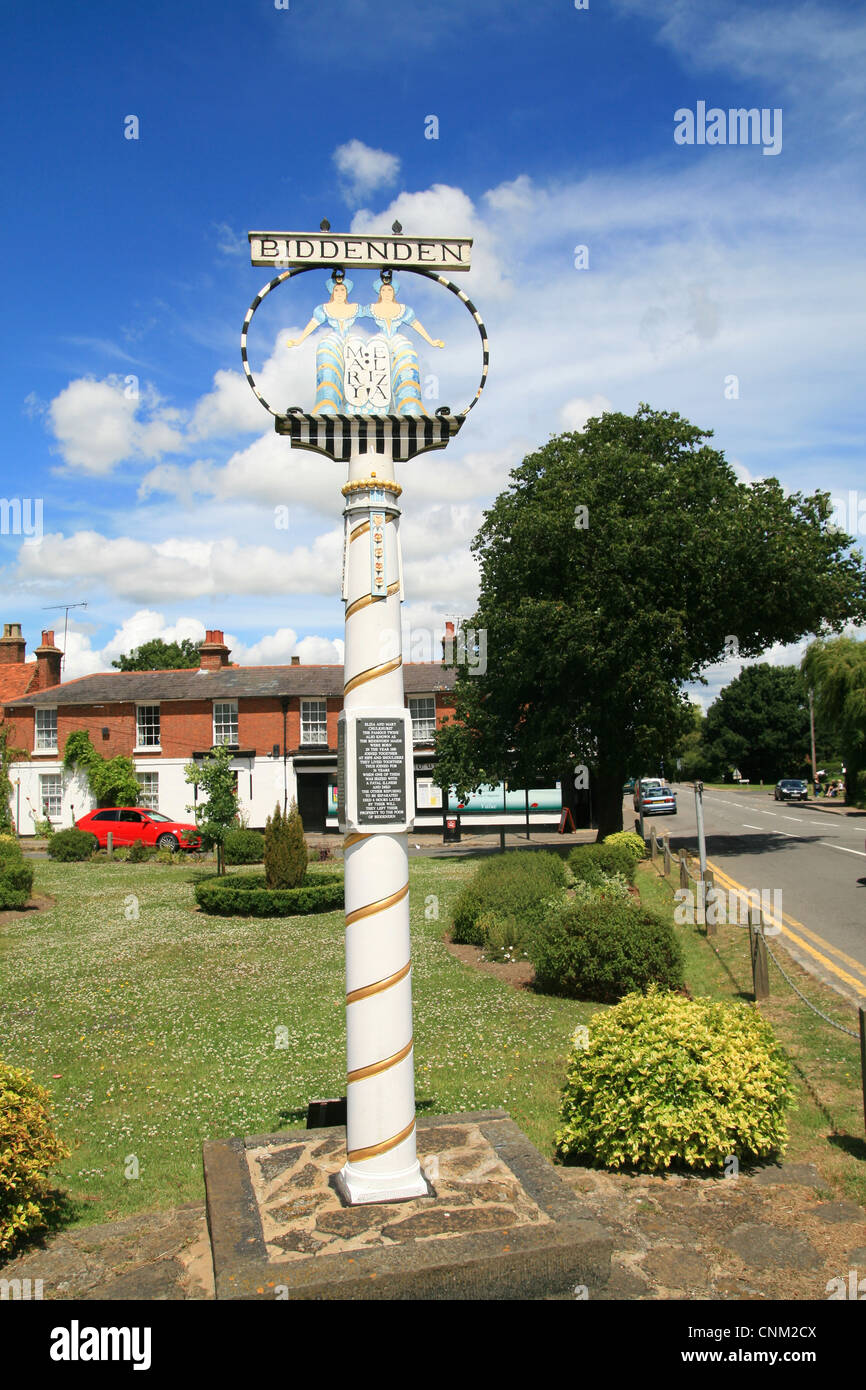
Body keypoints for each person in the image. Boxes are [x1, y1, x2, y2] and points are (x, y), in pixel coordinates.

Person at [285, 273, 367, 415]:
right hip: (333, 343)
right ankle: (327, 402)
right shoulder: (323, 309)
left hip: (351, 345)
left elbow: (375, 312)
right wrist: (299, 340)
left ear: (347, 292)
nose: (340, 293)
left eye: (342, 290)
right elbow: (313, 323)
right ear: (332, 292)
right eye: (336, 290)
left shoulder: (356, 308)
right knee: (328, 365)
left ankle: (356, 404)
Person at [366, 273, 444, 416]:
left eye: (390, 290)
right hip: (380, 342)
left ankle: (409, 403)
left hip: (397, 341)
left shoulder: (403, 310)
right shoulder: (371, 309)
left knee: (407, 356)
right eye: (384, 290)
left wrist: (431, 341)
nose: (387, 293)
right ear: (379, 292)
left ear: (394, 292)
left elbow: (416, 324)